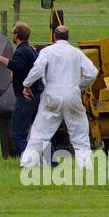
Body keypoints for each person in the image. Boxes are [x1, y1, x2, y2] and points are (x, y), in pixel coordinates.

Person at [19, 25, 98, 169]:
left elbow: (37, 69)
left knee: (40, 132)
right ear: (68, 37)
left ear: (54, 37)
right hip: (72, 95)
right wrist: (79, 86)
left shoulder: (47, 51)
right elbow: (92, 73)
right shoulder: (77, 53)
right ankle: (86, 166)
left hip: (51, 95)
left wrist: (26, 85)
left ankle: (28, 163)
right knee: (79, 135)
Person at [0, 21, 40, 158]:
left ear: (16, 35)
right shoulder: (31, 51)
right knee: (39, 132)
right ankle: (50, 160)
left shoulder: (21, 51)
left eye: (13, 33)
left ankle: (30, 160)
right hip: (36, 96)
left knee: (17, 133)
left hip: (25, 97)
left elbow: (16, 66)